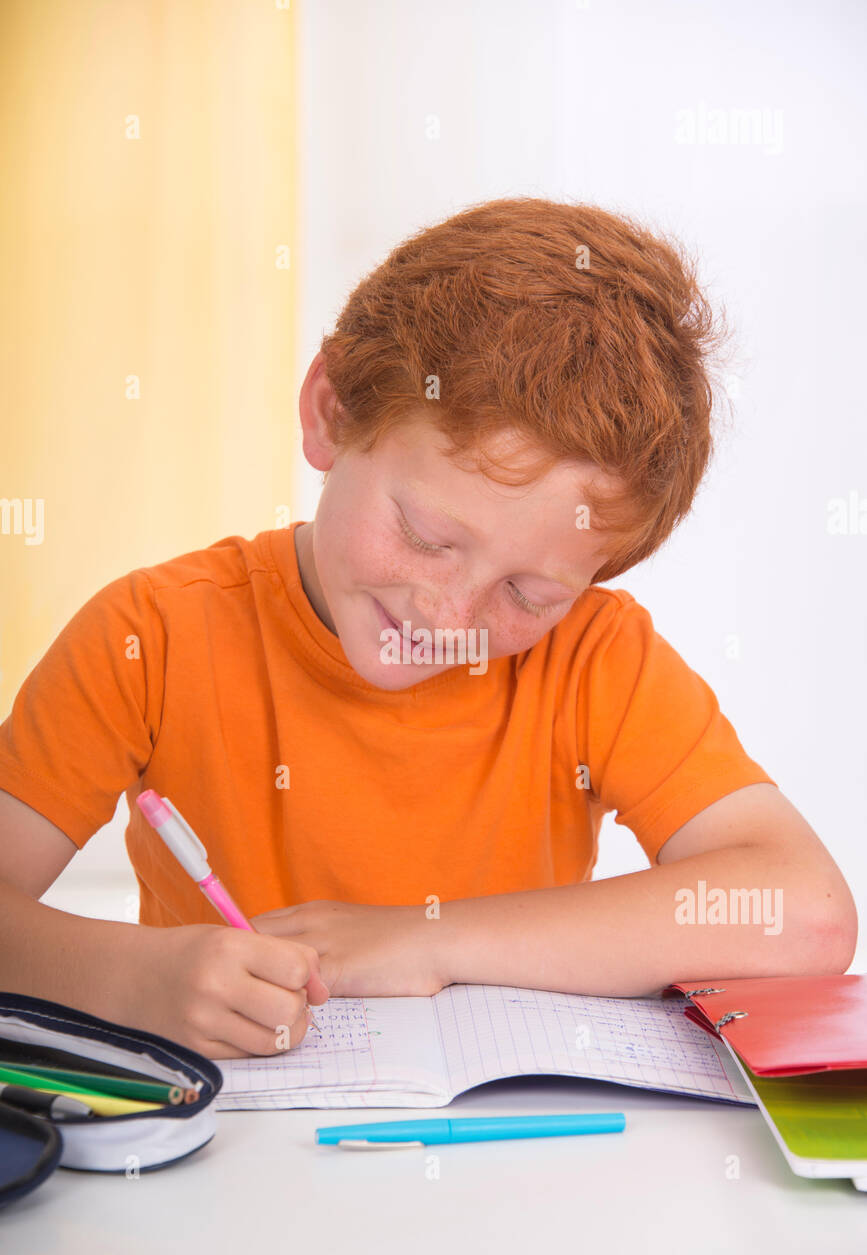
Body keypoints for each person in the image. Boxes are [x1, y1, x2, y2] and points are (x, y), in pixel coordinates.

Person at [0, 197, 856, 1060]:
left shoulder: (594, 658)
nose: (448, 618)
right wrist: (127, 978)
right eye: (427, 537)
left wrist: (426, 938)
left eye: (528, 593)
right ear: (331, 411)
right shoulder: (151, 635)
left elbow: (804, 914)